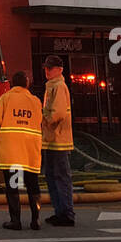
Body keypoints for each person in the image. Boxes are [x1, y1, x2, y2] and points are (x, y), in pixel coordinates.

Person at [0, 70, 43, 231]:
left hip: (12, 152)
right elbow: (39, 121)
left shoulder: (6, 98)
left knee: (14, 185)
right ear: (27, 84)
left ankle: (16, 221)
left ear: (13, 83)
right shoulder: (35, 101)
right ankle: (36, 220)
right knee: (33, 185)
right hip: (30, 151)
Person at [40, 55, 75, 226]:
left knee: (60, 176)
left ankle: (66, 213)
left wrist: (45, 119)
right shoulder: (51, 86)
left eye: (50, 68)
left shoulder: (59, 87)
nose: (47, 71)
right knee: (53, 176)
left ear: (59, 69)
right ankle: (60, 211)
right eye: (46, 68)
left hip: (58, 140)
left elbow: (57, 113)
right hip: (52, 139)